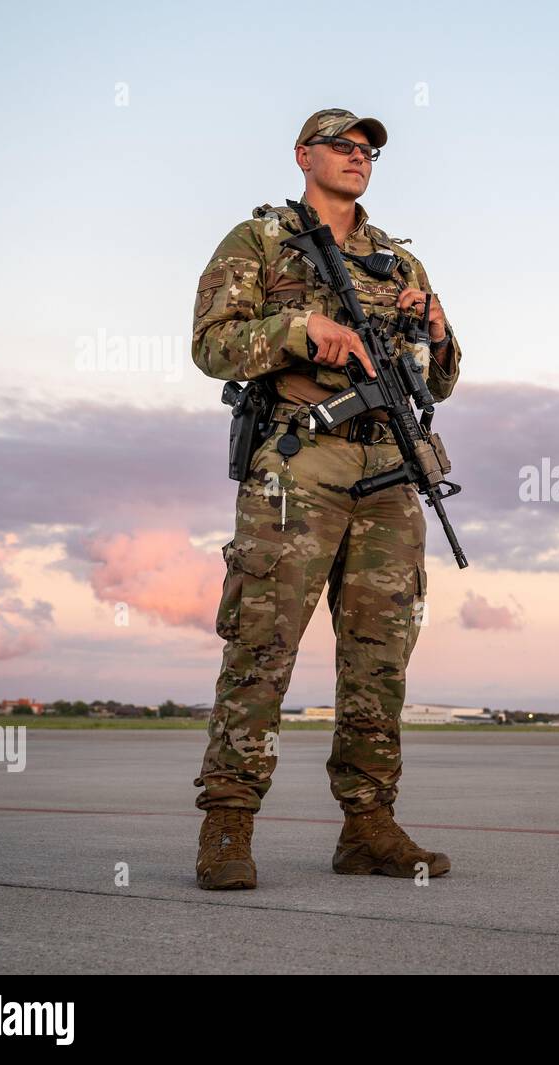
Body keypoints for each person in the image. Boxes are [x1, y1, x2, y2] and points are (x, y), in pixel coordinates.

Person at [189, 108, 462, 889]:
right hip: (298, 460)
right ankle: (228, 824)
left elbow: (440, 377)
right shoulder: (261, 243)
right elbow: (212, 344)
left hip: (389, 469)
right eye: (341, 146)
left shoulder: (400, 265)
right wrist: (300, 329)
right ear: (304, 155)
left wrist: (438, 332)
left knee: (381, 656)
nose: (357, 157)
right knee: (261, 645)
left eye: (368, 148)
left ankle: (368, 825)